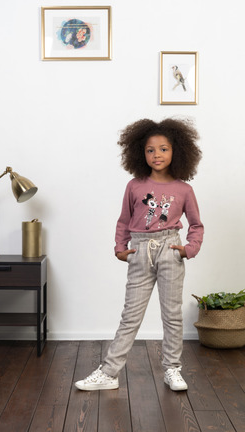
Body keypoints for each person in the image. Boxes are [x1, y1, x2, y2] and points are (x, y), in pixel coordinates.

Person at [75, 118, 204, 392]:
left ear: (176, 151)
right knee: (130, 315)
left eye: (163, 149)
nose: (157, 155)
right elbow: (123, 220)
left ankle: (173, 369)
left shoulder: (184, 189)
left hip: (170, 249)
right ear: (140, 153)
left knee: (171, 314)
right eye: (150, 150)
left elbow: (196, 225)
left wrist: (188, 249)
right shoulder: (134, 186)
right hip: (140, 250)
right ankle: (109, 372)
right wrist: (120, 248)